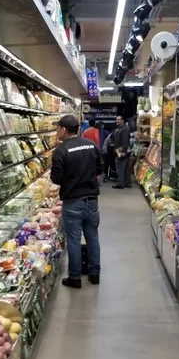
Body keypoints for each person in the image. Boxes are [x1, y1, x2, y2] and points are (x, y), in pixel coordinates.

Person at [51, 114, 102, 288]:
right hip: (92, 200)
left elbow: (56, 179)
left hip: (72, 202)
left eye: (57, 128)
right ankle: (95, 274)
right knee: (93, 237)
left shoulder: (60, 151)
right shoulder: (92, 145)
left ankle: (75, 278)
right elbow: (100, 168)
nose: (56, 131)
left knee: (73, 240)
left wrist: (70, 178)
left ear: (64, 130)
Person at [112, 115, 131, 189]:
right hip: (120, 150)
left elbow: (125, 141)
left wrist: (123, 151)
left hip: (121, 151)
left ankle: (120, 183)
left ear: (123, 120)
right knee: (125, 168)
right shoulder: (120, 128)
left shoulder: (124, 129)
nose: (117, 121)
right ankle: (127, 182)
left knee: (120, 167)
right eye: (116, 119)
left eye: (119, 119)